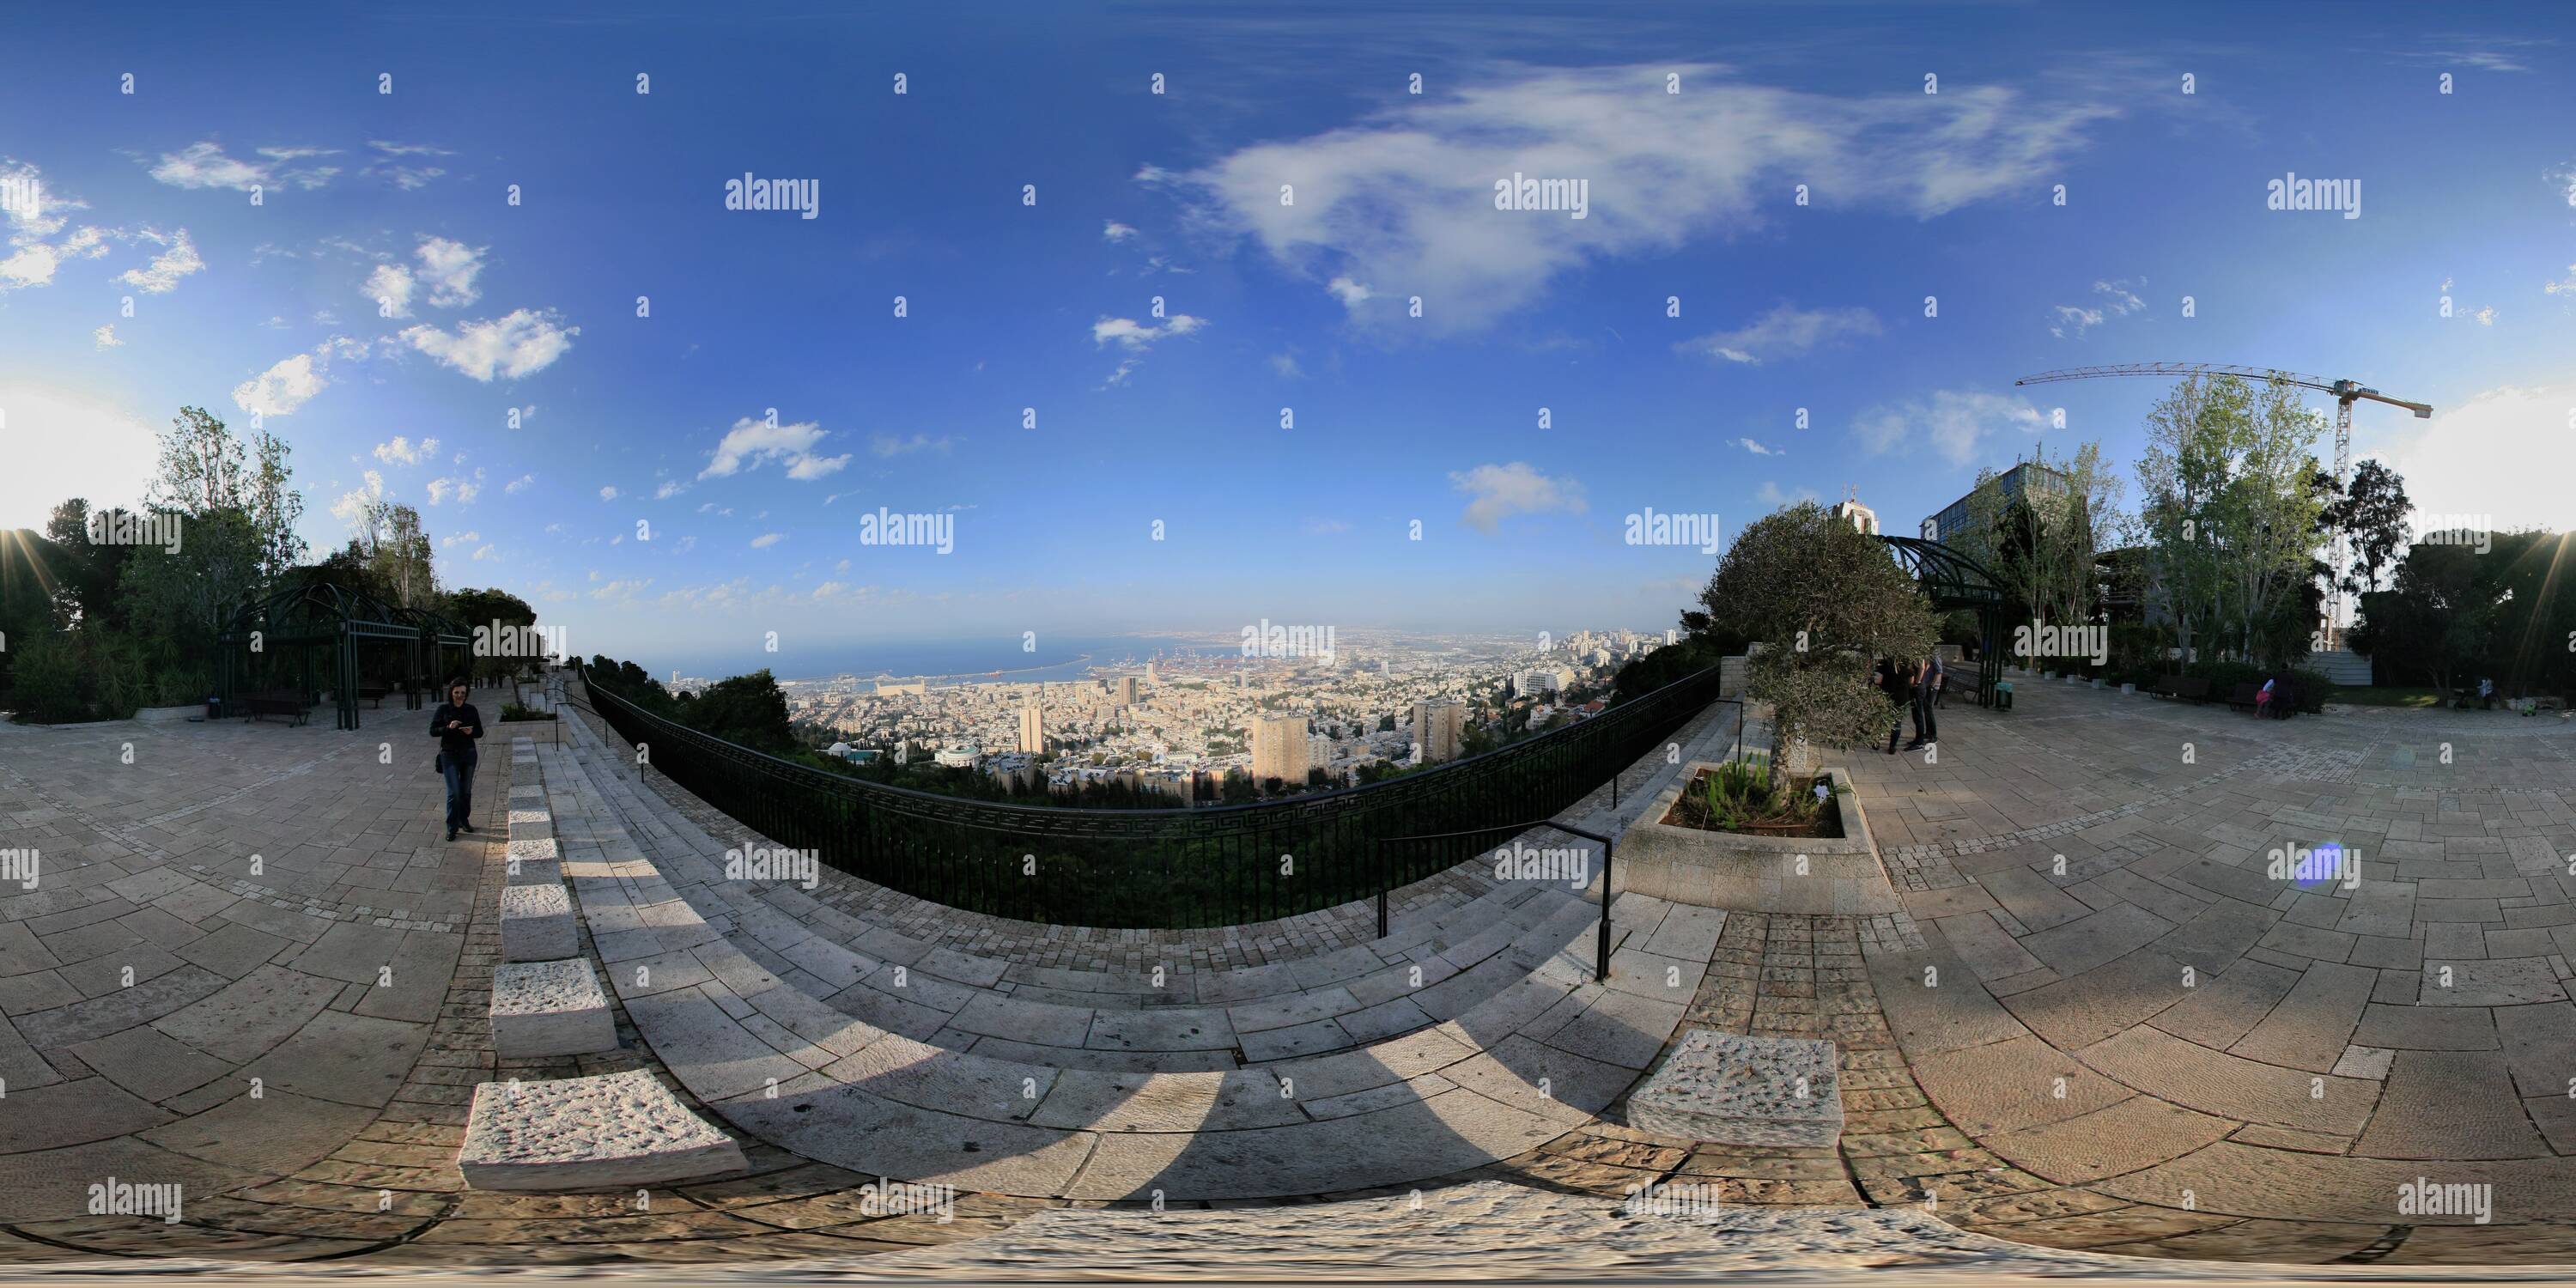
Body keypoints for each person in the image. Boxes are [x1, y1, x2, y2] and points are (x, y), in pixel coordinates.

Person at [430, 678, 485, 841]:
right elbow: (432, 731)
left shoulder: (471, 710)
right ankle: (451, 827)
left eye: (463, 693)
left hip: (468, 754)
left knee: (466, 791)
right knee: (454, 792)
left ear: (466, 694)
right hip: (449, 755)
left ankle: (464, 820)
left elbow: (480, 732)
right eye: (456, 693)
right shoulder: (443, 709)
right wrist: (447, 728)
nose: (460, 696)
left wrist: (471, 732)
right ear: (451, 693)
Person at [1907, 655, 1938, 751]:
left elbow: (1922, 667)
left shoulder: (1919, 653)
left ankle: (1919, 742)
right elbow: (1926, 666)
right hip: (1920, 687)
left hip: (1918, 688)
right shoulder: (1923, 655)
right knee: (1917, 715)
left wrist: (1917, 682)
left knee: (1918, 715)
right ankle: (1917, 739)